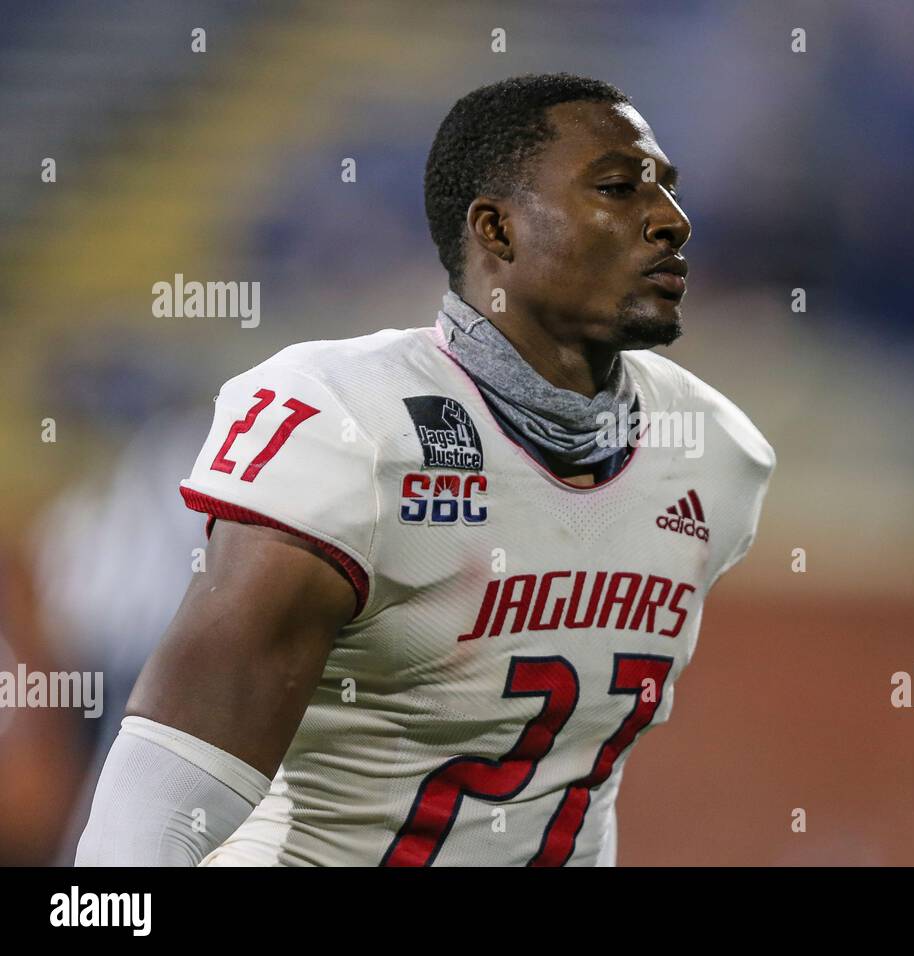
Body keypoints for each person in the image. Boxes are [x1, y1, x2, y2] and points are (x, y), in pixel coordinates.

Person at [76, 72, 775, 866]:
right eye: (619, 188)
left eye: (669, 192)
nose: (671, 222)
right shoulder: (352, 426)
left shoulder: (715, 454)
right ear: (497, 231)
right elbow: (156, 806)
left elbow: (569, 780)